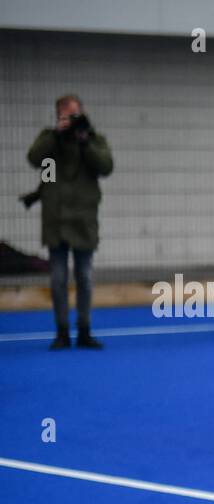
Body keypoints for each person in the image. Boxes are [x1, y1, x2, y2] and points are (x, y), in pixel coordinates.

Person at [26, 94, 113, 350]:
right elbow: (34, 159)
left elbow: (106, 166)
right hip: (56, 221)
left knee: (85, 277)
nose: (72, 121)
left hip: (84, 221)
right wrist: (56, 134)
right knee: (58, 279)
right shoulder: (50, 140)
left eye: (75, 115)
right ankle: (62, 332)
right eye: (66, 116)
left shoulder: (94, 140)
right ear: (57, 116)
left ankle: (84, 330)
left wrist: (84, 142)